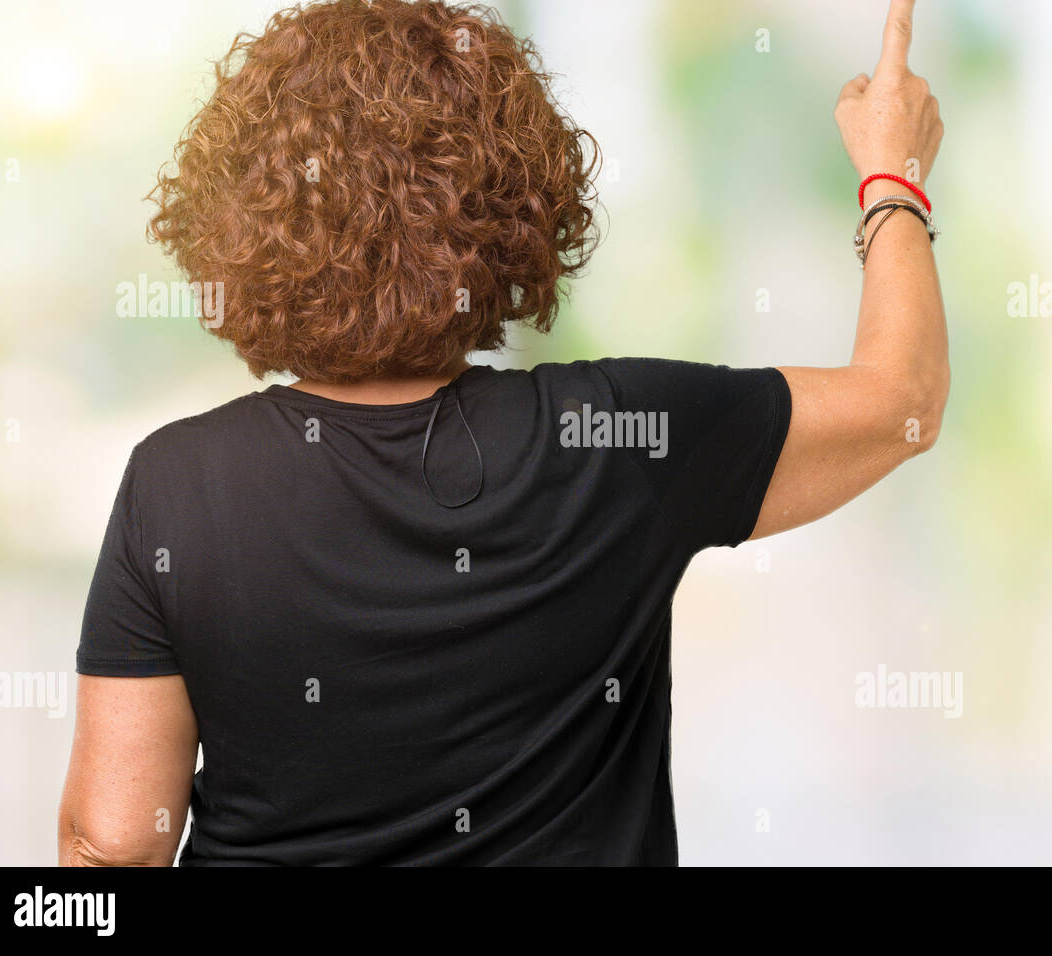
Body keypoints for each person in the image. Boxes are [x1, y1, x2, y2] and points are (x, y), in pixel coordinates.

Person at [59, 0, 946, 866]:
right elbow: (901, 398)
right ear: (508, 203)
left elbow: (115, 842)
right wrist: (892, 177)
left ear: (248, 217)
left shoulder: (176, 485)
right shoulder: (618, 439)